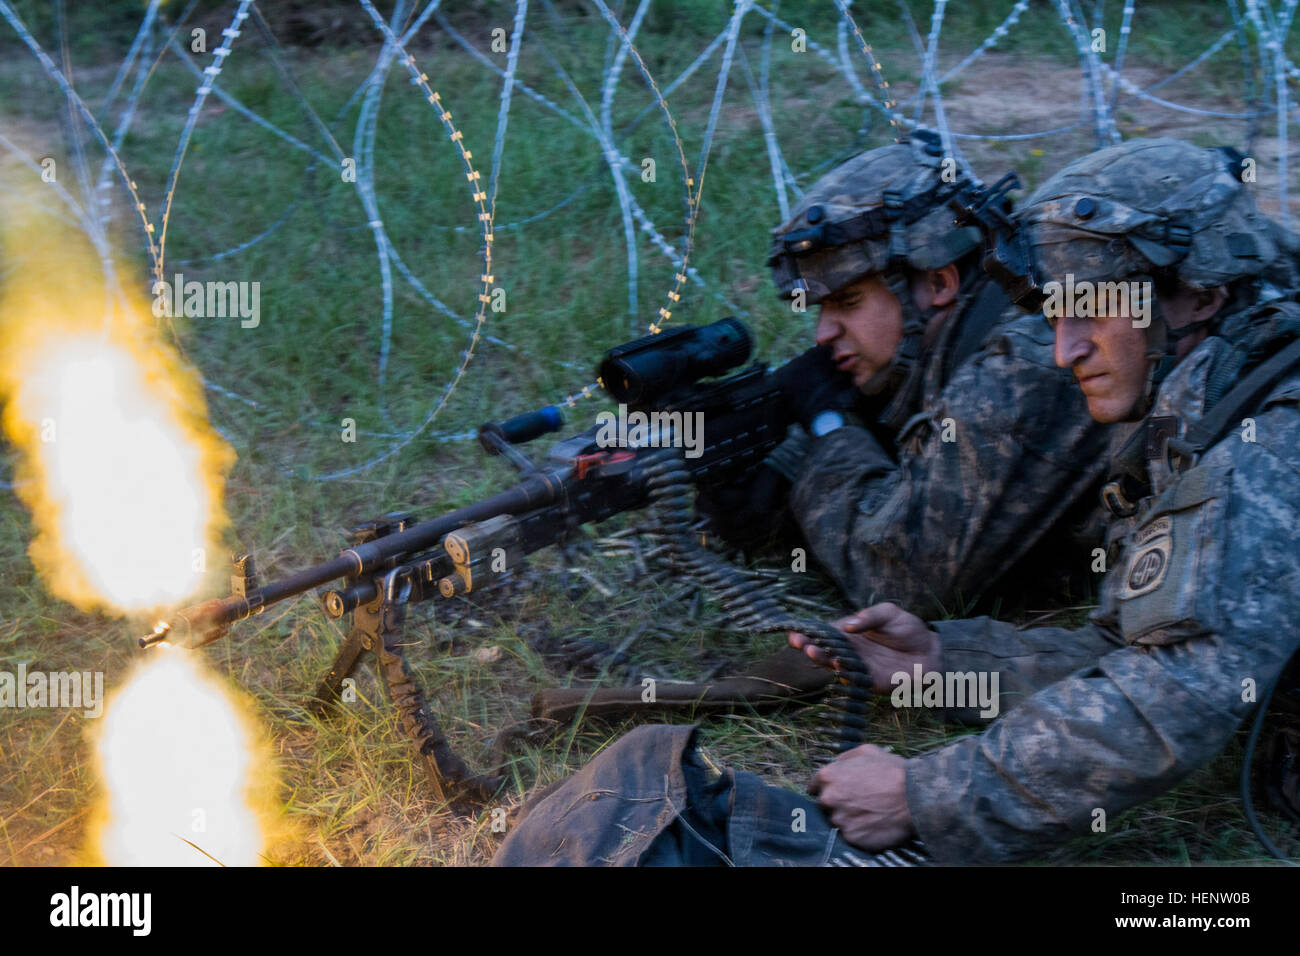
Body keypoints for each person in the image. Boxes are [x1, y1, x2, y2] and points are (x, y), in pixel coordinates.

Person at [495, 138, 1300, 865]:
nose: (1066, 349)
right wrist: (943, 663)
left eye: (1093, 310)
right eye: (1057, 316)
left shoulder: (1264, 439)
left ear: (1197, 295)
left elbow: (1175, 693)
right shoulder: (1216, 397)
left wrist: (928, 794)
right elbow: (1135, 649)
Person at [532, 130, 1115, 723]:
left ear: (939, 282)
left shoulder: (1026, 363)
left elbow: (901, 581)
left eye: (847, 303)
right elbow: (901, 479)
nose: (823, 334)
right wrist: (763, 492)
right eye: (820, 309)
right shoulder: (940, 349)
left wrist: (828, 428)